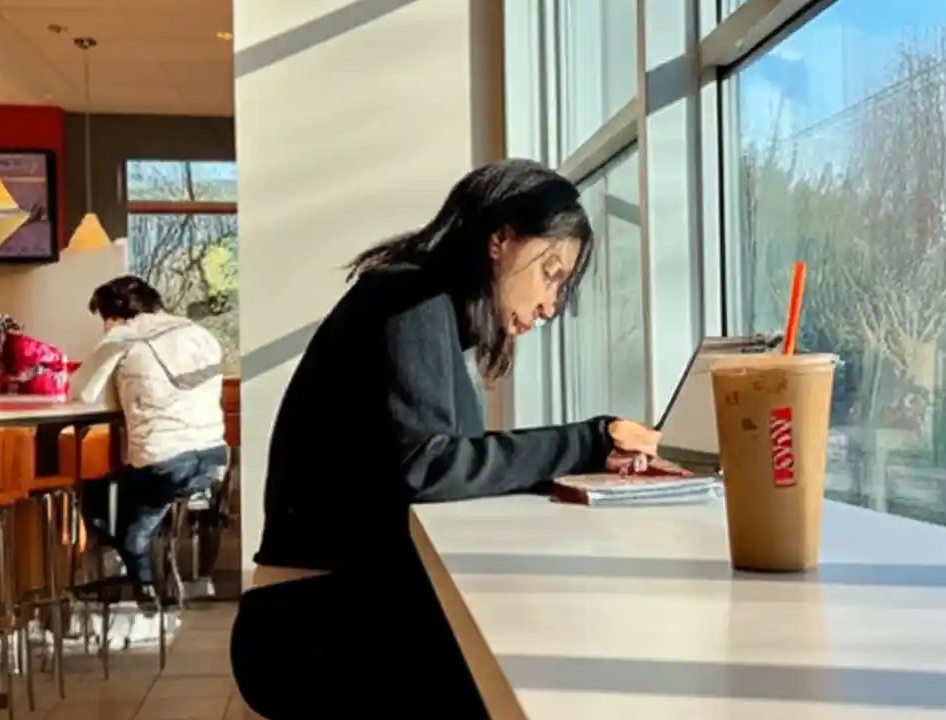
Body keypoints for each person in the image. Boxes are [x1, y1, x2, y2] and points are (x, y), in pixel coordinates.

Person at [229, 159, 679, 718]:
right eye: (552, 272)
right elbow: (427, 466)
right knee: (550, 658)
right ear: (502, 241)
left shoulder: (426, 312)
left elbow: (441, 464)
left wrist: (590, 449)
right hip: (309, 623)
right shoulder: (409, 298)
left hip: (334, 604)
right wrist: (590, 439)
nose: (551, 305)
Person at [69, 275, 229, 606]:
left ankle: (137, 583)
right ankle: (147, 565)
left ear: (113, 313)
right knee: (143, 500)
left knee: (96, 491)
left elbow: (81, 394)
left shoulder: (124, 336)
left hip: (165, 460)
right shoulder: (198, 333)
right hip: (215, 457)